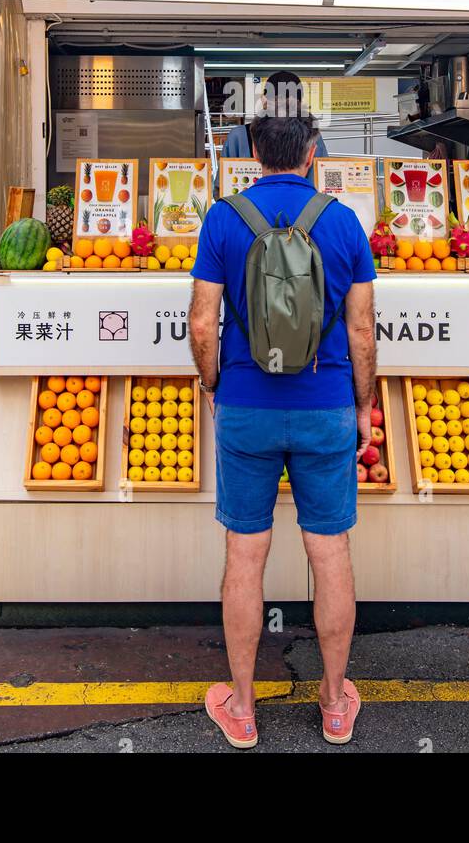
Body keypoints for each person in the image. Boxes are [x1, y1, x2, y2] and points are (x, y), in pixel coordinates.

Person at [189, 110, 377, 749]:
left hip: (246, 406)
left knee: (245, 556)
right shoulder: (344, 221)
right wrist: (361, 407)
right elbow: (361, 331)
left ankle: (241, 708)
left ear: (253, 153)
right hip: (325, 407)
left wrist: (215, 386)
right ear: (312, 152)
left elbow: (200, 323)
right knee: (330, 555)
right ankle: (332, 702)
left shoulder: (223, 218)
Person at [220, 70, 327, 182]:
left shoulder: (239, 136)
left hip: (248, 199)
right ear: (299, 103)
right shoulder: (312, 137)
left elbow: (221, 187)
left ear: (264, 100)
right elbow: (320, 183)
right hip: (302, 198)